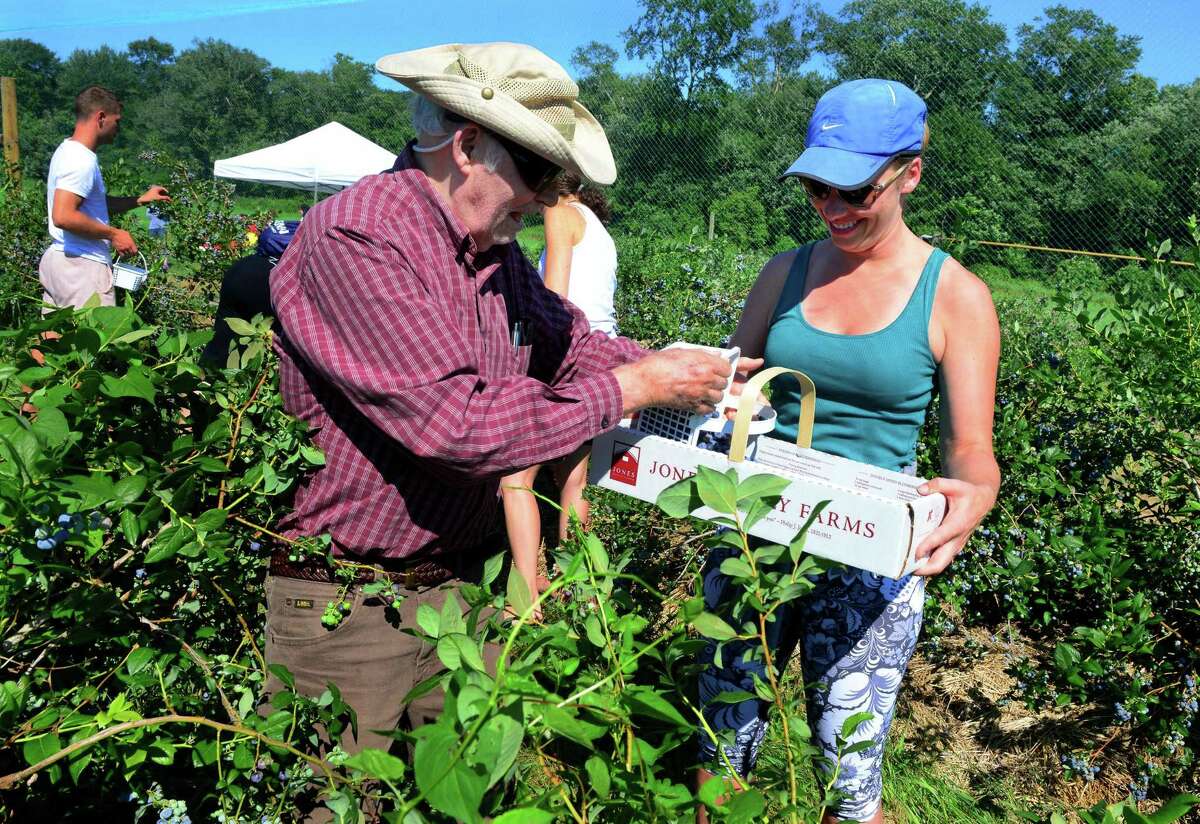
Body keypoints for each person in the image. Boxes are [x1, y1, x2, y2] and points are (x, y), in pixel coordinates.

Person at [263, 41, 754, 780]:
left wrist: (690, 372)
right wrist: (636, 389)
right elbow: (458, 428)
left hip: (461, 595)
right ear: (466, 147)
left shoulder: (491, 252)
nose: (547, 195)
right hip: (351, 611)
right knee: (337, 797)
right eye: (536, 170)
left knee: (464, 798)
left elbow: (570, 343)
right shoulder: (359, 238)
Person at [695, 79, 1001, 823]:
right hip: (755, 532)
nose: (832, 210)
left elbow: (970, 451)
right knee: (718, 746)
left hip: (868, 554)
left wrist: (975, 496)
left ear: (911, 174)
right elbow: (740, 386)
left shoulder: (954, 296)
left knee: (849, 776)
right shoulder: (785, 273)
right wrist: (722, 398)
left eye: (855, 192)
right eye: (815, 189)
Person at [500, 171, 617, 605]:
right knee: (574, 481)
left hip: (569, 352)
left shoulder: (559, 213)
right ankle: (581, 595)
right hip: (601, 360)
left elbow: (556, 301)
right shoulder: (595, 222)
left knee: (516, 480)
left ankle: (523, 598)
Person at [40, 85, 170, 310]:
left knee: (52, 340)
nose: (118, 128)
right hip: (81, 268)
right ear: (101, 117)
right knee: (95, 340)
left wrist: (139, 200)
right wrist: (114, 234)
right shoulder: (81, 160)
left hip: (61, 262)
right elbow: (63, 216)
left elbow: (91, 206)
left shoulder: (66, 151)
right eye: (116, 120)